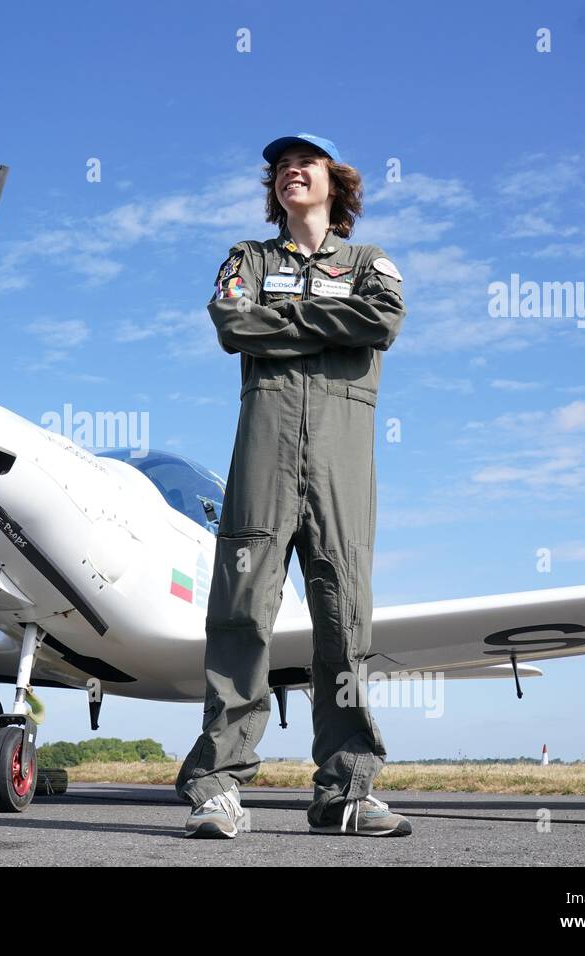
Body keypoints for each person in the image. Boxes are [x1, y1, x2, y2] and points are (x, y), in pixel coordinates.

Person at [176, 132, 412, 838]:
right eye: (280, 168)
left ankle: (346, 789)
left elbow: (383, 320)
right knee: (241, 613)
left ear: (336, 183)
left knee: (345, 622)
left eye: (305, 164)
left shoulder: (370, 263)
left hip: (343, 461)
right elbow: (230, 321)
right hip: (263, 453)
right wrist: (325, 328)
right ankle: (217, 784)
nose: (290, 174)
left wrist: (283, 322)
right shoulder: (246, 258)